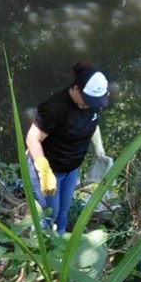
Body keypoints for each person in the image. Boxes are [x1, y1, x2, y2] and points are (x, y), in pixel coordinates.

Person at [25, 61, 111, 235]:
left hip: (71, 169)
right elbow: (32, 138)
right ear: (77, 89)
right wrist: (44, 170)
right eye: (88, 101)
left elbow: (93, 122)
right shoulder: (55, 108)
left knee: (63, 210)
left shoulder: (90, 104)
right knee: (50, 213)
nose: (89, 105)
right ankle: (38, 246)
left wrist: (99, 150)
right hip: (49, 169)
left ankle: (60, 244)